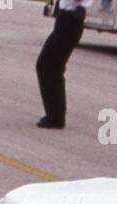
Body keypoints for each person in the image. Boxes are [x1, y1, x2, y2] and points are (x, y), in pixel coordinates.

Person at [35, 0, 90, 130]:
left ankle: (55, 118)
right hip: (66, 19)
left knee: (48, 66)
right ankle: (55, 116)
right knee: (49, 67)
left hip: (70, 21)